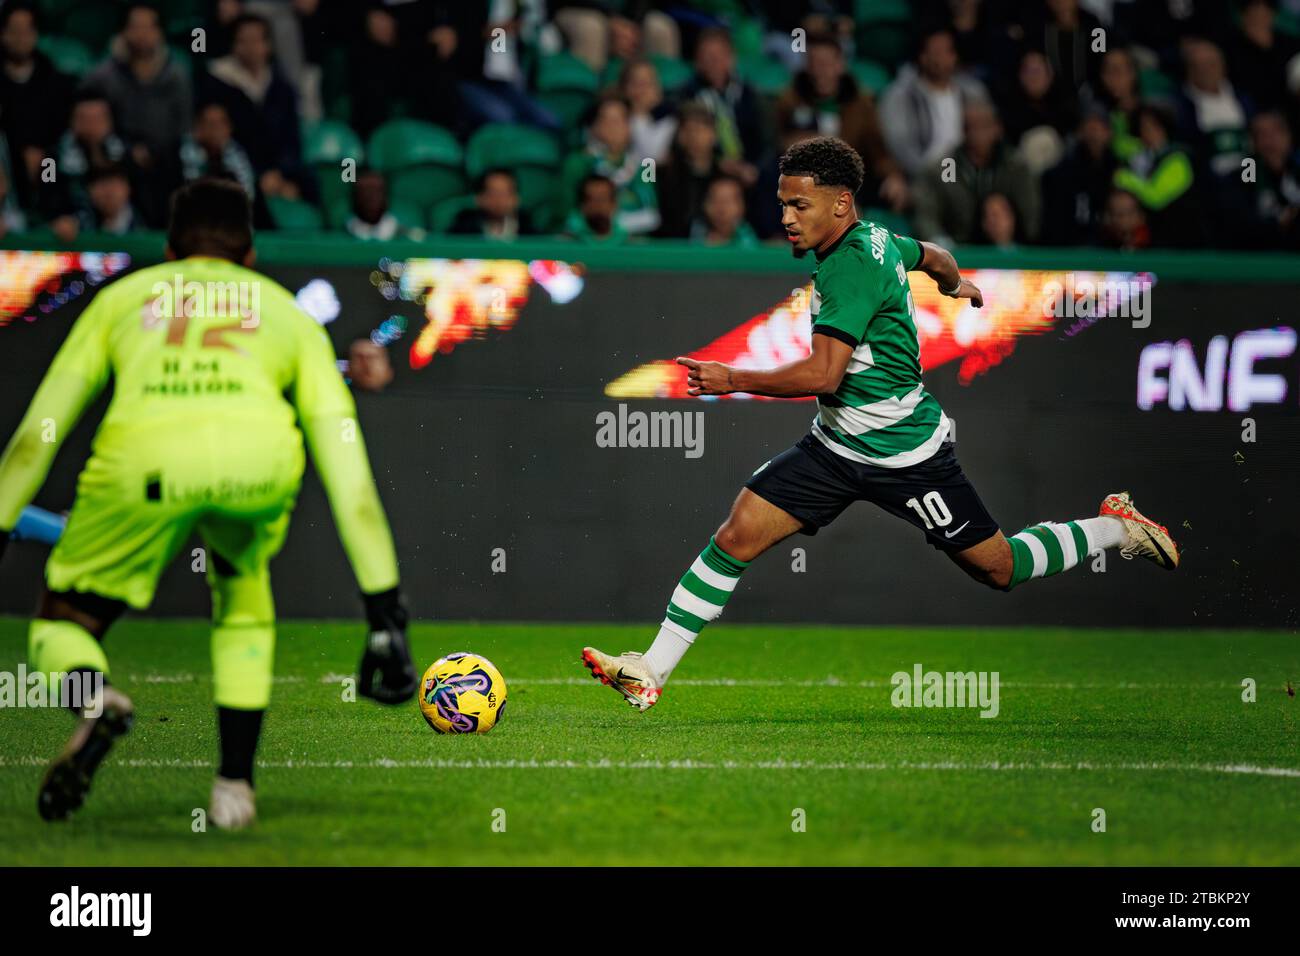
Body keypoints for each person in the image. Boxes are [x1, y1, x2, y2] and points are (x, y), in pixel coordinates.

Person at [580, 136, 1179, 711]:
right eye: (783, 203)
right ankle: (651, 671)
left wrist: (731, 379)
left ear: (841, 203)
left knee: (1001, 569)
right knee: (736, 536)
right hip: (834, 448)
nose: (786, 216)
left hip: (906, 456)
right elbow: (934, 256)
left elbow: (823, 376)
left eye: (799, 204)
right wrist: (955, 283)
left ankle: (1112, 528)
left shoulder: (850, 270)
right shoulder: (875, 239)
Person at [0, 178, 418, 828]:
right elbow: (349, 475)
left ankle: (95, 702)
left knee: (63, 624)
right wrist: (384, 612)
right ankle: (233, 792)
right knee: (243, 601)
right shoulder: (286, 314)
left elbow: (37, 437)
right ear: (250, 254)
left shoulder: (122, 300)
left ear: (169, 249)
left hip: (145, 459)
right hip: (258, 465)